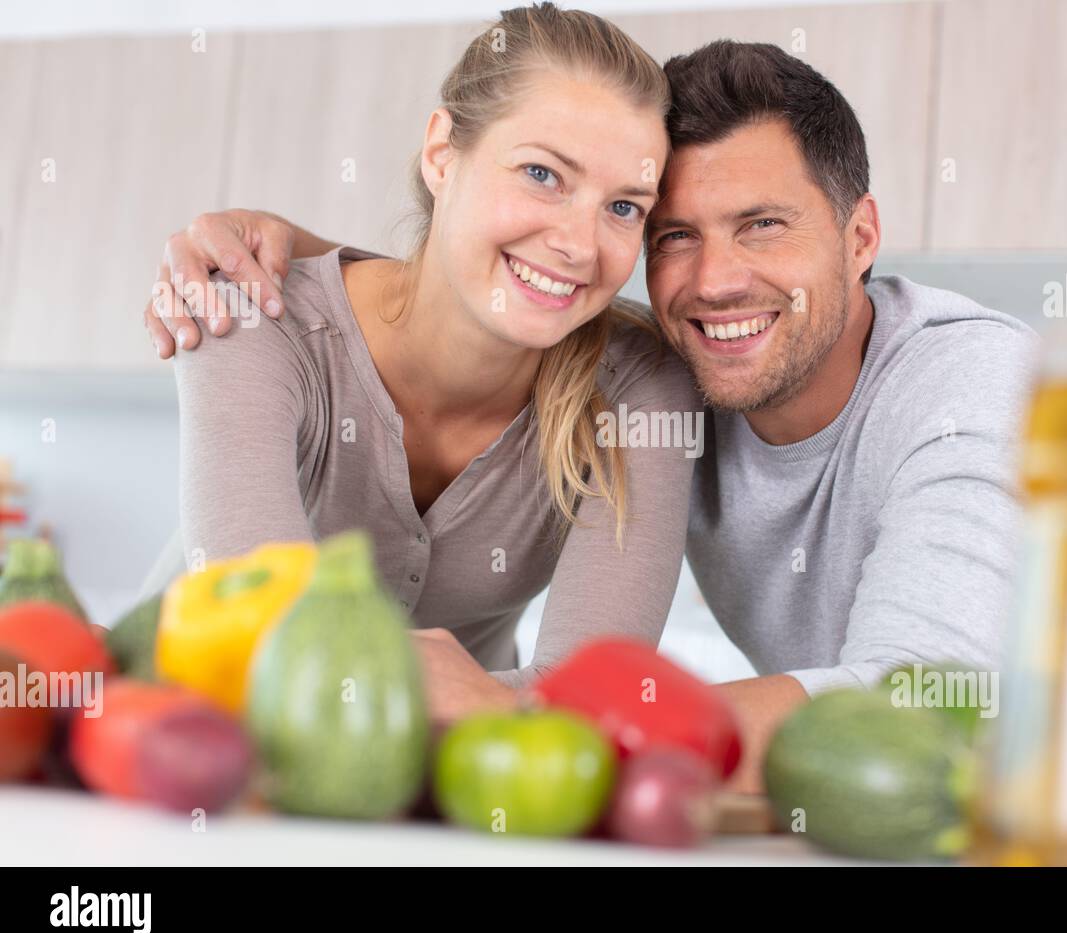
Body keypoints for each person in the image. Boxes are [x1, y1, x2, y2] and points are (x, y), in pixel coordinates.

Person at [144, 32, 1038, 793]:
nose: (717, 280)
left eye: (762, 224)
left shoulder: (958, 388)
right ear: (440, 152)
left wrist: (543, 716)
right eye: (672, 234)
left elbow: (935, 700)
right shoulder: (692, 365)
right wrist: (291, 259)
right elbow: (473, 290)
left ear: (861, 238)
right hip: (177, 762)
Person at [145, 4, 703, 727]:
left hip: (439, 794)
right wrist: (514, 702)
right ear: (442, 154)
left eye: (624, 208)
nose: (579, 245)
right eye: (542, 173)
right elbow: (271, 645)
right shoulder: (251, 312)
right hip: (178, 750)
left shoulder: (640, 389)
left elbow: (591, 702)